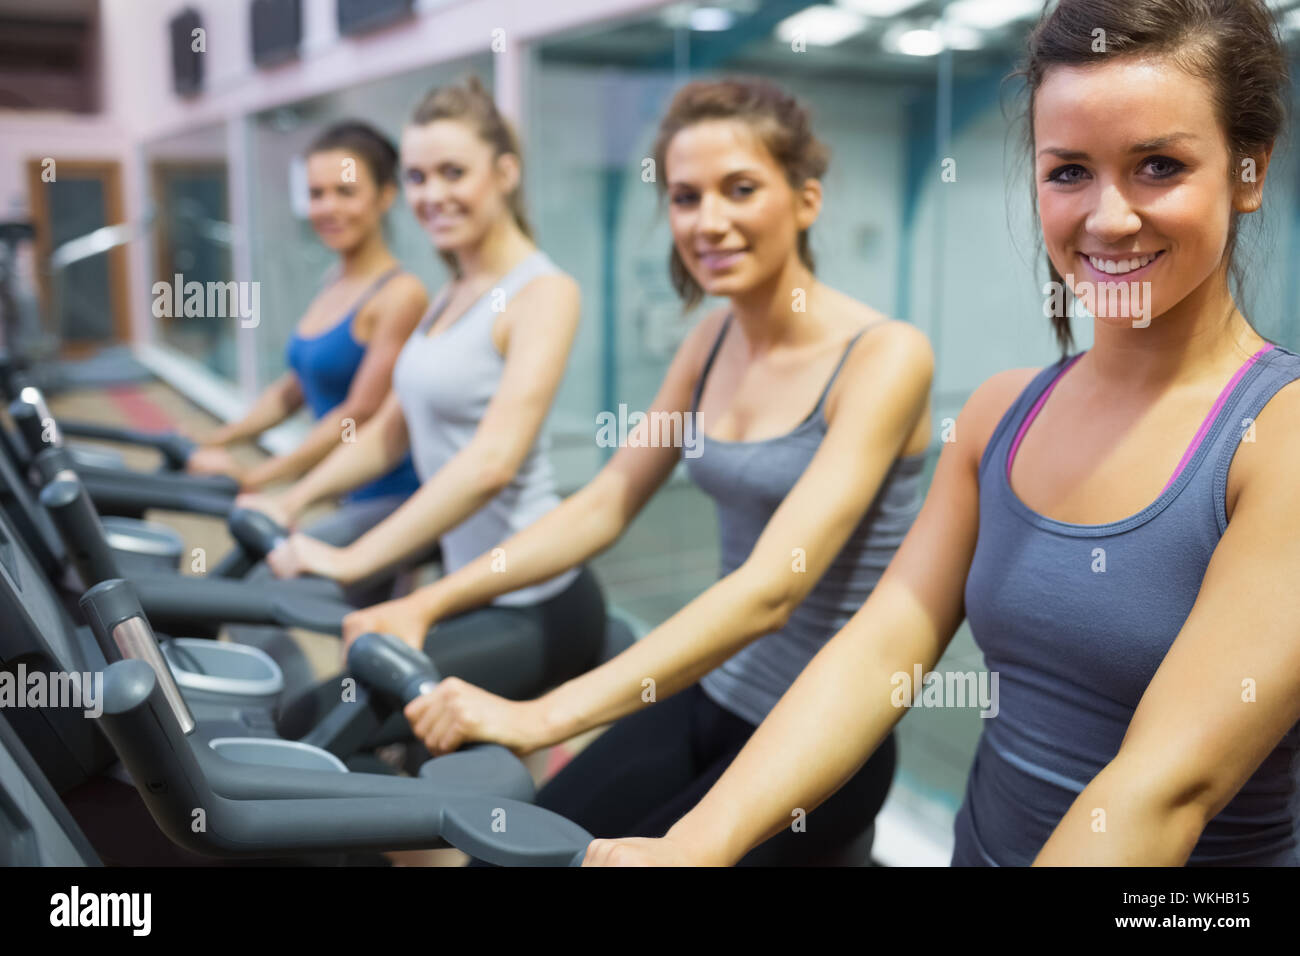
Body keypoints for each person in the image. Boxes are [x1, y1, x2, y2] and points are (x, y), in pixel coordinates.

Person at [579, 0, 1300, 867]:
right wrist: (694, 844)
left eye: (1158, 166)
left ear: (1249, 173)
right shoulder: (999, 416)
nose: (1108, 218)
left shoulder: (1278, 435)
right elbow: (882, 646)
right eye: (1068, 172)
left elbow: (1161, 790)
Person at [348, 77, 935, 864]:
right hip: (711, 693)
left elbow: (772, 590)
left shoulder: (884, 357)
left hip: (819, 739)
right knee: (514, 853)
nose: (709, 221)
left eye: (741, 189)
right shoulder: (710, 342)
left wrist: (545, 716)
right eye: (686, 197)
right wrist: (428, 603)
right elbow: (606, 503)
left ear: (806, 200)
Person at [259, 77, 607, 737]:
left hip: (535, 601)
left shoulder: (543, 293)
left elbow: (492, 464)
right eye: (418, 176)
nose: (433, 194)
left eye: (454, 172)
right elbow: (386, 434)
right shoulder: (452, 292)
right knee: (376, 746)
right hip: (465, 587)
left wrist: (356, 558)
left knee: (320, 724)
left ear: (505, 172)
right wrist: (291, 500)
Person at [187, 121, 426, 548]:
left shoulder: (400, 295)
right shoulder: (333, 280)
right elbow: (294, 389)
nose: (327, 207)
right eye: (317, 194)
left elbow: (357, 415)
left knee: (280, 579)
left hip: (388, 495)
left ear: (386, 196)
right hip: (336, 488)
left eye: (345, 191)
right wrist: (217, 438)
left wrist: (257, 477)